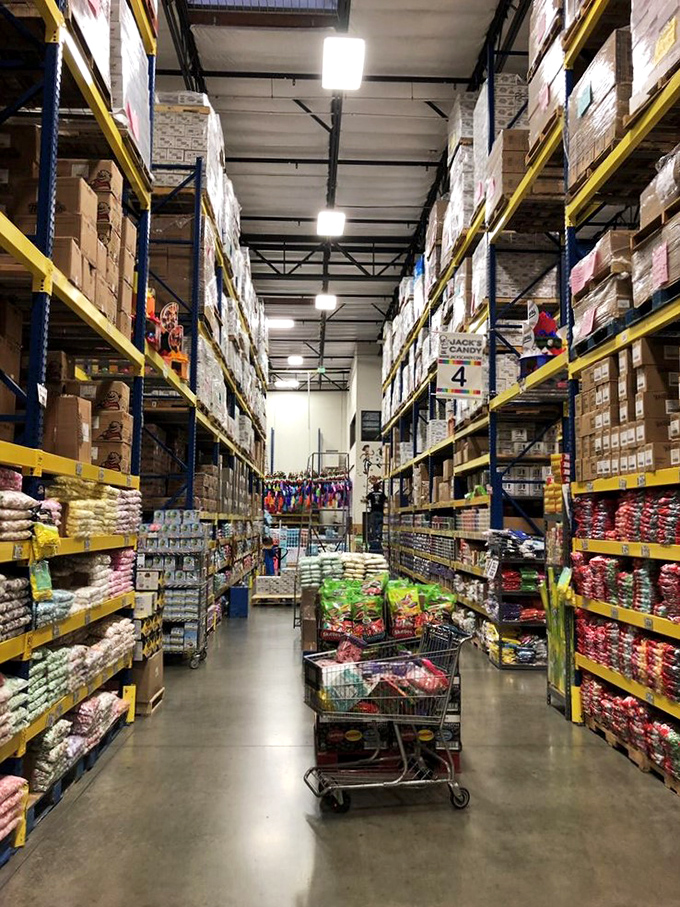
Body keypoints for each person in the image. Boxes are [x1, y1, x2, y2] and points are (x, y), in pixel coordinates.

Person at [366, 478, 387, 550]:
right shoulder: (382, 494)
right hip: (380, 511)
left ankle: (374, 538)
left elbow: (366, 499)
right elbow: (386, 500)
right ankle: (379, 537)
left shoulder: (371, 494)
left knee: (373, 525)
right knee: (380, 524)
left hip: (373, 511)